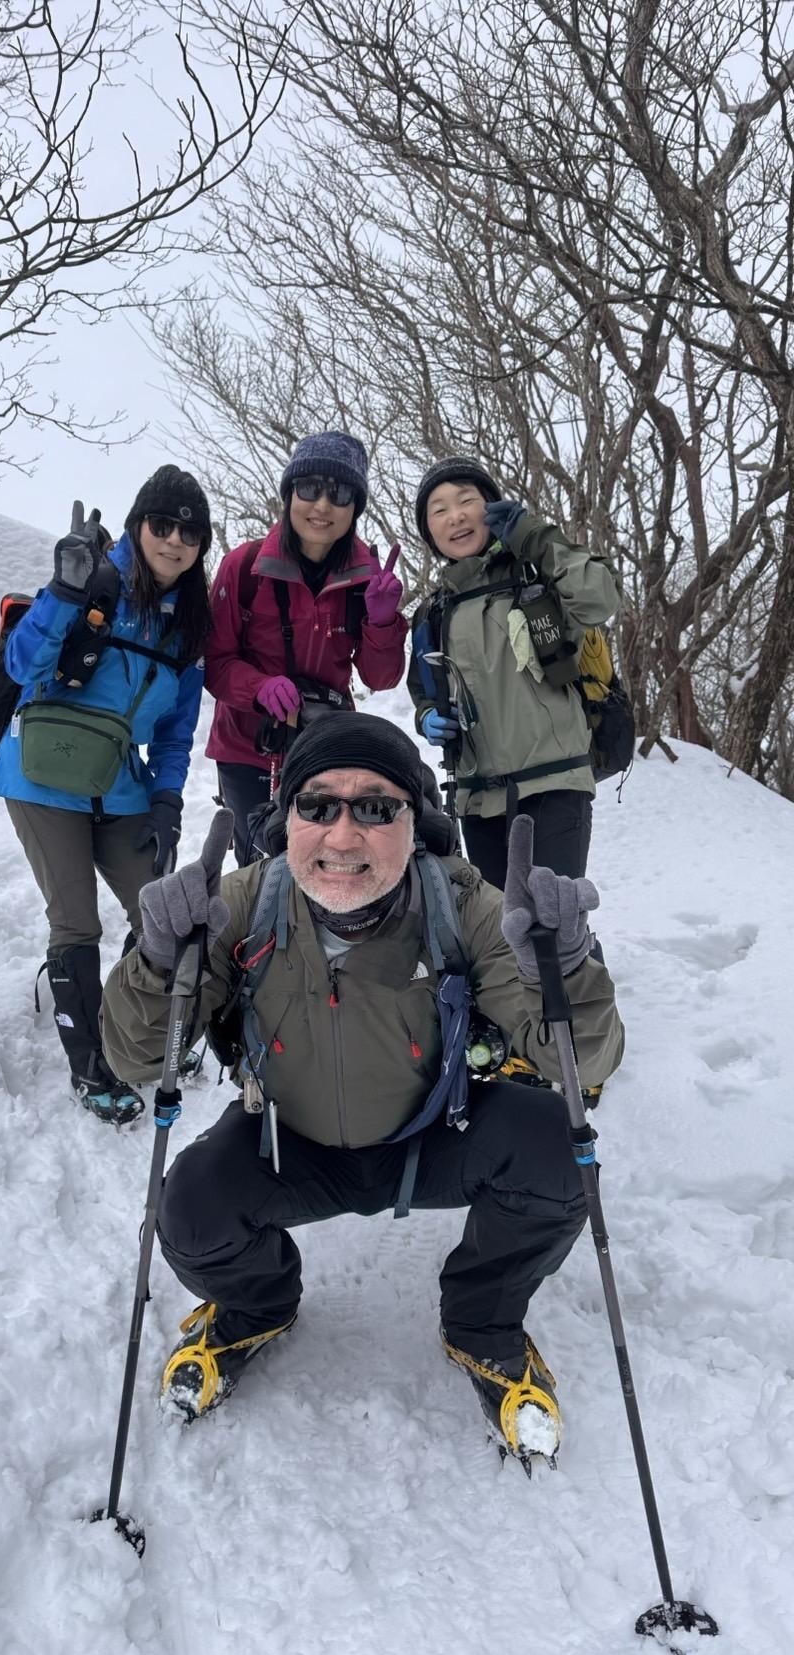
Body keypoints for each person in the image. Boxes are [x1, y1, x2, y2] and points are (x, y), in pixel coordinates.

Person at [101, 715, 624, 1466]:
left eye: (377, 807)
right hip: (293, 1142)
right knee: (188, 1208)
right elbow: (136, 1057)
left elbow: (584, 1058)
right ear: (286, 822)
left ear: (416, 821)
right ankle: (258, 1306)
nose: (343, 837)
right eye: (319, 805)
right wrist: (156, 962)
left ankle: (482, 1323)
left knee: (558, 1153)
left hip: (434, 1134)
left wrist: (562, 969)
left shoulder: (464, 903)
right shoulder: (240, 904)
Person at [0, 466, 212, 1125]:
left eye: (189, 531)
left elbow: (174, 732)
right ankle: (91, 1067)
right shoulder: (95, 585)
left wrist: (167, 801)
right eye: (161, 524)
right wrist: (62, 591)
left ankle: (134, 1027)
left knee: (159, 914)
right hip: (38, 777)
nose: (173, 540)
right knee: (76, 922)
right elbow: (22, 666)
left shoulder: (188, 628)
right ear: (139, 524)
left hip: (117, 784)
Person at [409, 455, 622, 889]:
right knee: (500, 935)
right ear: (429, 532)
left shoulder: (535, 578)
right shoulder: (432, 613)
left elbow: (600, 598)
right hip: (477, 796)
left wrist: (534, 536)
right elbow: (426, 689)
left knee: (552, 923)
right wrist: (427, 717)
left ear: (490, 509)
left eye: (467, 500)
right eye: (439, 510)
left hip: (555, 782)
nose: (456, 516)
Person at [204, 431, 407, 865]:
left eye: (340, 493)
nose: (322, 505)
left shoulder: (364, 579)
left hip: (326, 745)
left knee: (326, 862)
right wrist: (258, 686)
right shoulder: (244, 567)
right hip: (248, 747)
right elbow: (216, 663)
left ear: (355, 507)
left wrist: (383, 621)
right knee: (261, 864)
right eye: (309, 488)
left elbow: (380, 677)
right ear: (289, 493)